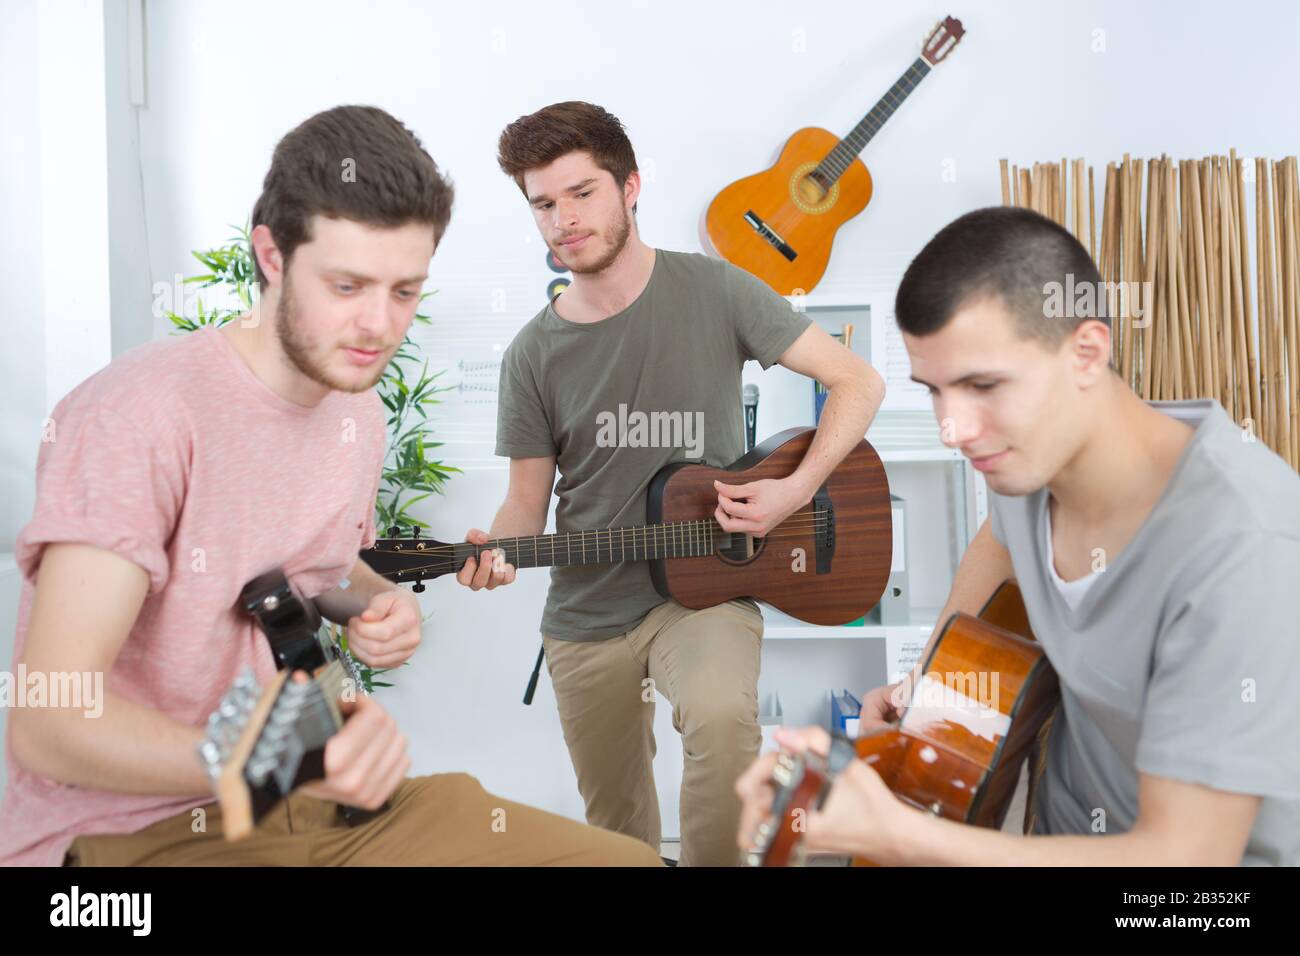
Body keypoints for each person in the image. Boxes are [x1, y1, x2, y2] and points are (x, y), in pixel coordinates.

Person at [0, 105, 662, 867]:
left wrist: (373, 602)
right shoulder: (135, 418)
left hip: (314, 807)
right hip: (135, 836)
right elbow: (50, 724)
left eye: (404, 291)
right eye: (347, 285)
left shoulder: (355, 409)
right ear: (272, 256)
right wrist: (256, 762)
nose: (378, 325)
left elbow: (317, 567)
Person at [736, 205, 1300, 866]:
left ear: (1087, 352)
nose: (954, 429)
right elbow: (999, 541)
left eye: (983, 385)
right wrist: (931, 683)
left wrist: (893, 834)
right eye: (935, 390)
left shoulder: (1245, 548)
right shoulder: (1032, 463)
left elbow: (1187, 862)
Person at [457, 101, 884, 866]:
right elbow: (525, 502)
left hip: (706, 590)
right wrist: (497, 550)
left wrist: (793, 491)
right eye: (543, 204)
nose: (563, 219)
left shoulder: (718, 290)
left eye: (581, 192)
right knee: (615, 828)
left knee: (722, 721)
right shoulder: (531, 354)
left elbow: (858, 382)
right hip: (587, 611)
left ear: (630, 187)